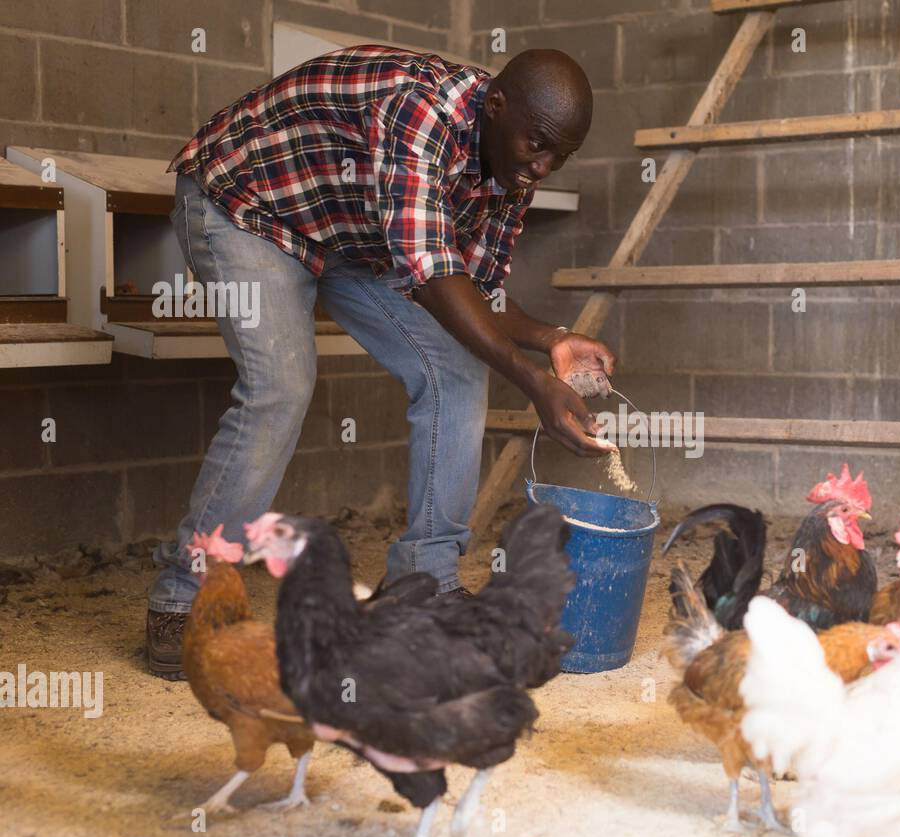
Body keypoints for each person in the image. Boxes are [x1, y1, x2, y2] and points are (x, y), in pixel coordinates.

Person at [145, 44, 615, 679]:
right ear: (495, 106)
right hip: (246, 204)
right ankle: (184, 593)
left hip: (345, 234)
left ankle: (424, 585)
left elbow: (470, 292)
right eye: (538, 144)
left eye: (562, 155)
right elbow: (432, 275)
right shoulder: (421, 109)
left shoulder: (513, 170)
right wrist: (534, 384)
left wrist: (552, 339)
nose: (546, 164)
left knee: (454, 369)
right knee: (281, 387)